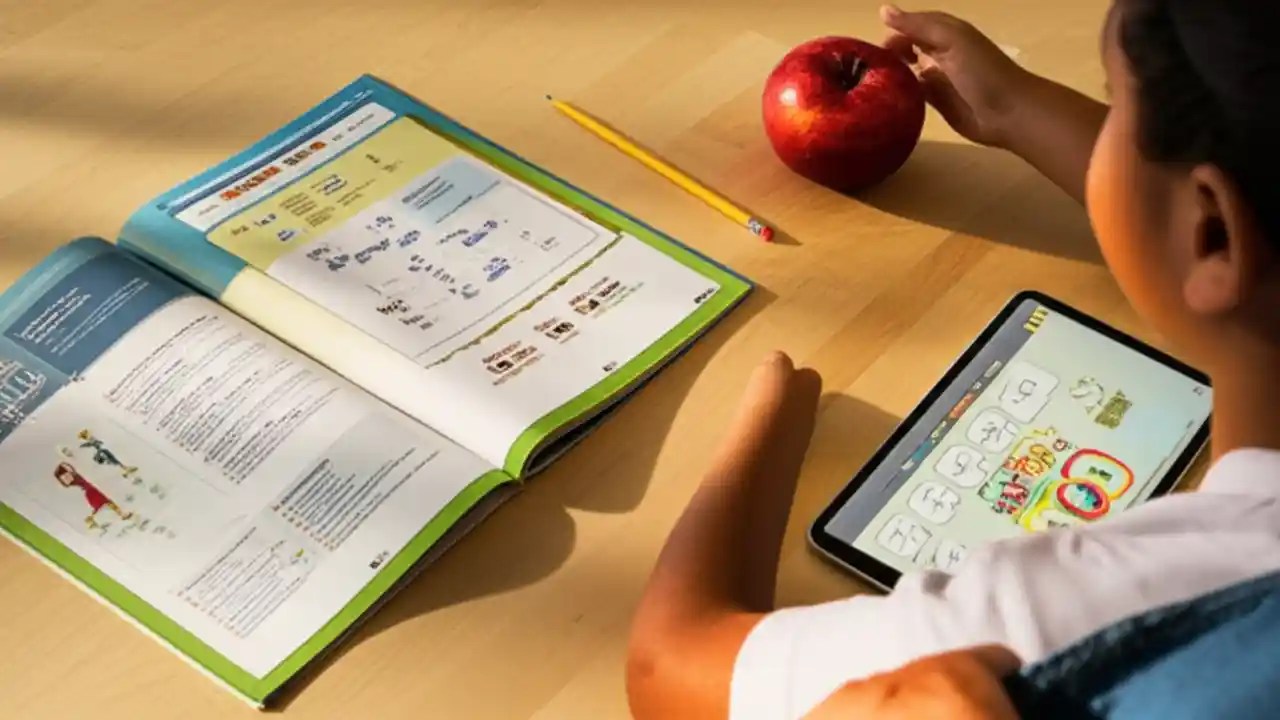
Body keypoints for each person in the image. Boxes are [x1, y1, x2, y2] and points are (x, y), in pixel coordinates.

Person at [625, 1, 1280, 718]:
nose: (1104, 131)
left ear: (1214, 230)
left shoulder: (1057, 625)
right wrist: (1020, 106)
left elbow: (668, 666)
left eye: (1111, 104)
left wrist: (764, 422)